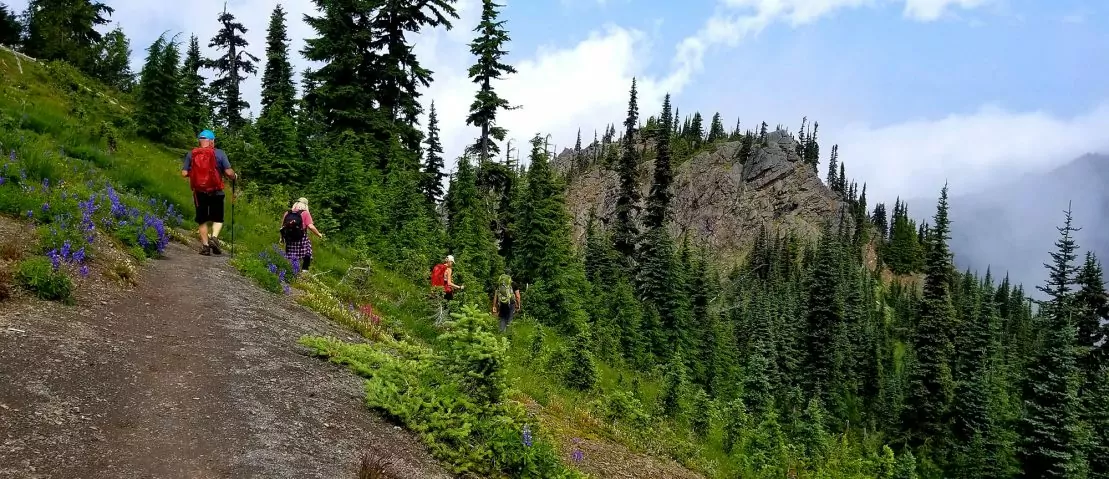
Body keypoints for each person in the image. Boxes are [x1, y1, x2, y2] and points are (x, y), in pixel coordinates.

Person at [181, 130, 237, 256]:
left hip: (199, 193)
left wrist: (196, 174)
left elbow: (184, 173)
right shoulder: (220, 153)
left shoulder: (192, 154)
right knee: (218, 218)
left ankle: (206, 246)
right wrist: (234, 176)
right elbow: (228, 173)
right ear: (212, 141)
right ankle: (214, 237)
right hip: (216, 191)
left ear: (200, 141)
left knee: (202, 220)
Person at [280, 197, 324, 271]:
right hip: (301, 237)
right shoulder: (305, 213)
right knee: (307, 253)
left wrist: (281, 238)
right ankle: (304, 271)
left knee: (290, 255)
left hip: (289, 237)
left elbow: (282, 227)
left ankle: (289, 271)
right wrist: (319, 234)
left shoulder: (287, 213)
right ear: (306, 205)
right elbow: (310, 226)